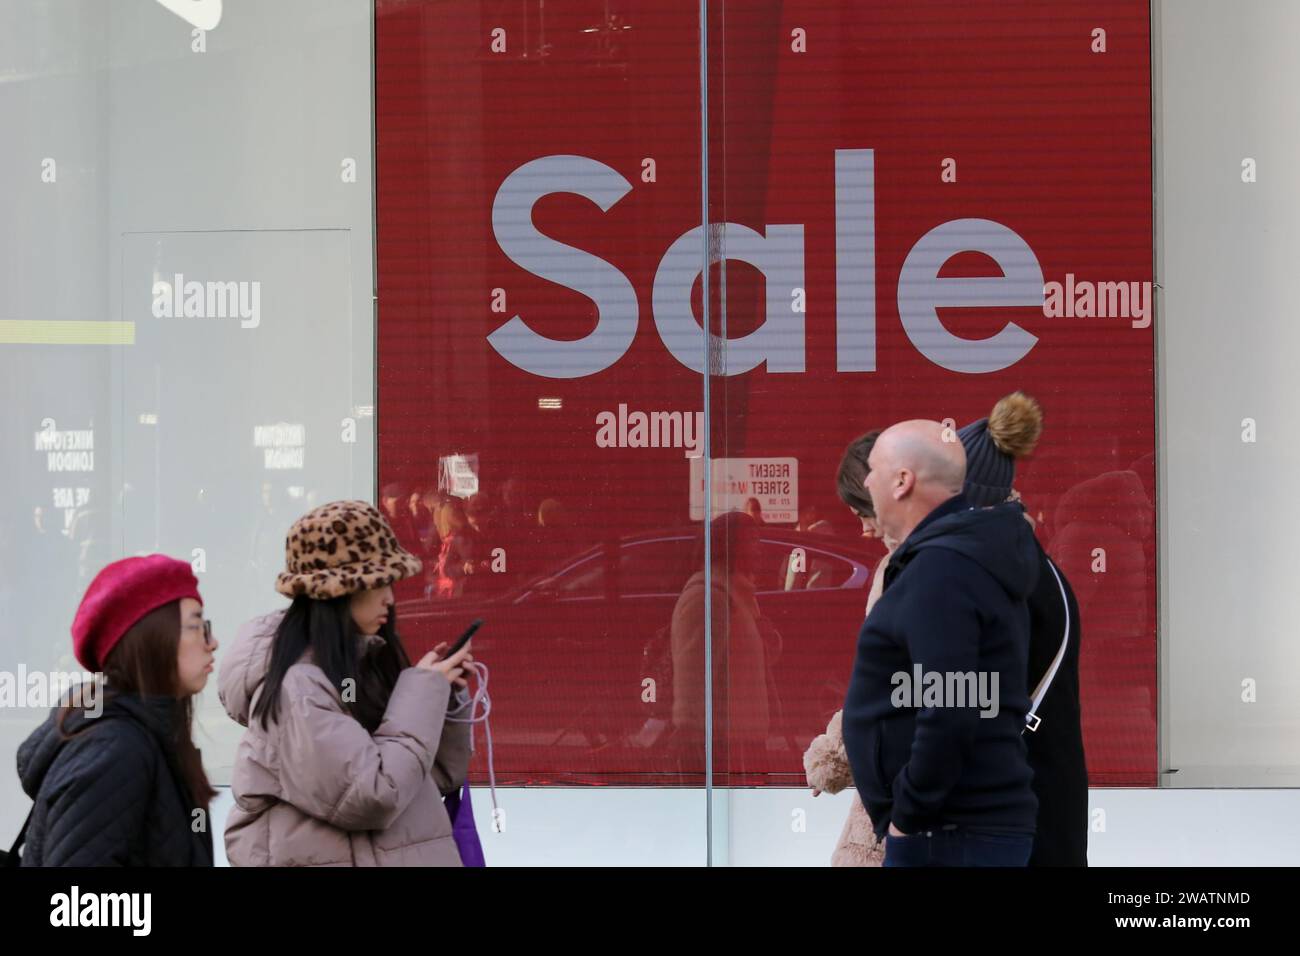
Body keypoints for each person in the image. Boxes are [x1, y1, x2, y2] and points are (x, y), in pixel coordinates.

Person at [219, 500, 475, 866]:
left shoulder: (368, 661)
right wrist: (420, 696)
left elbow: (430, 778)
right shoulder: (298, 687)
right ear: (335, 593)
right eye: (377, 583)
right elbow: (373, 795)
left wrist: (440, 698)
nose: (390, 597)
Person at [842, 419, 1040, 867]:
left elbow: (952, 705)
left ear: (902, 481)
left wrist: (908, 816)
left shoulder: (943, 570)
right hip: (958, 828)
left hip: (947, 834)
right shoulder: (962, 557)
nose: (866, 481)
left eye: (873, 469)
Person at [14, 555, 217, 866]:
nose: (212, 642)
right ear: (150, 639)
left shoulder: (152, 737)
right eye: (196, 626)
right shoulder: (116, 750)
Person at [958, 392, 1088, 866]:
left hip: (1019, 811)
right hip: (1046, 792)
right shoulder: (1031, 561)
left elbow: (973, 690)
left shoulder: (1000, 571)